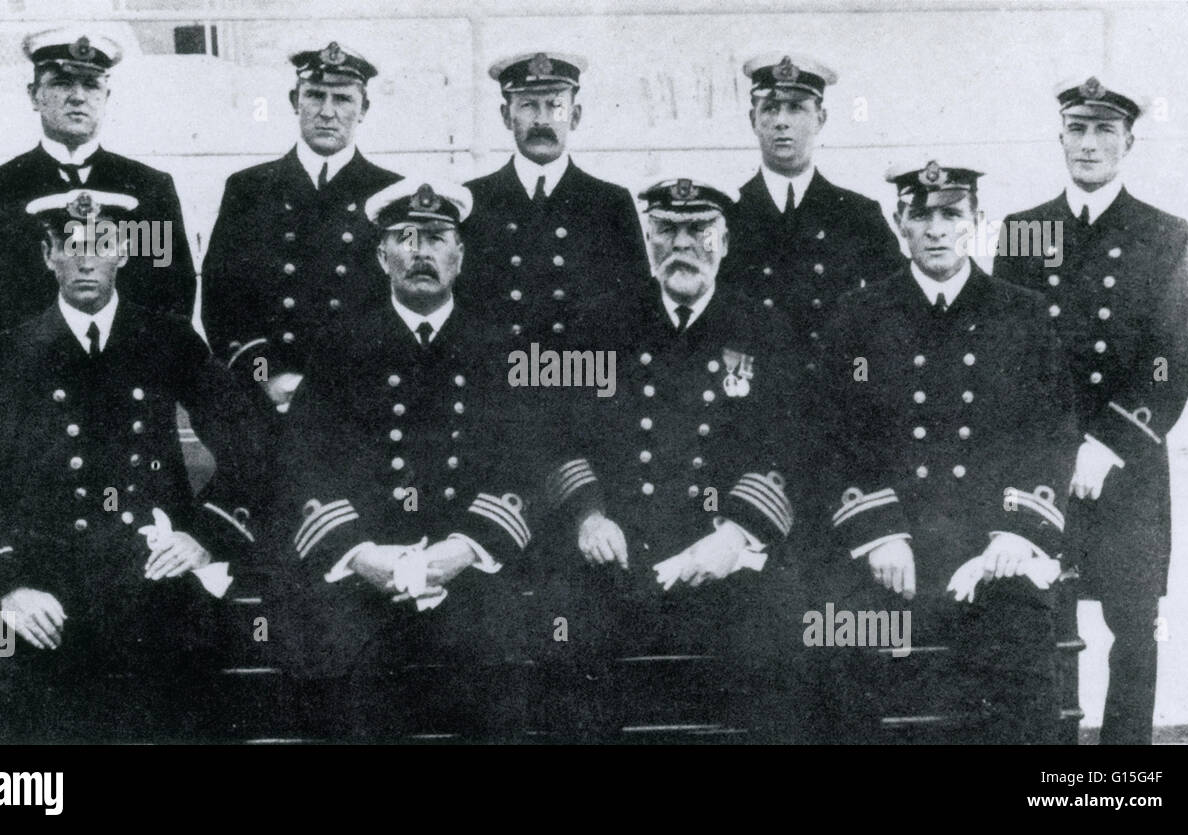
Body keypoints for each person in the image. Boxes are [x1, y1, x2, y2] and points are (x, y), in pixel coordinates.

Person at [0, 189, 265, 742]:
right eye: (70, 245)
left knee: (185, 694)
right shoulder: (14, 352)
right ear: (48, 255)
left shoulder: (166, 339)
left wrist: (204, 536)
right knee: (13, 702)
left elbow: (250, 440)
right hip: (48, 579)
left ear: (124, 252)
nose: (86, 258)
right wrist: (9, 587)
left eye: (102, 243)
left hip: (152, 572)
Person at [537, 177, 814, 741]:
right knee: (561, 641)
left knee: (783, 651)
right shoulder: (599, 327)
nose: (682, 244)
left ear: (725, 241)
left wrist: (736, 535)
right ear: (648, 238)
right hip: (617, 556)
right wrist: (589, 516)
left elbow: (792, 444)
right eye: (667, 230)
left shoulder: (765, 330)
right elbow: (555, 435)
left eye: (699, 230)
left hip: (724, 555)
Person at [819, 160, 1078, 743]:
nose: (936, 229)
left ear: (976, 222)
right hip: (888, 549)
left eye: (951, 215)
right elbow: (830, 437)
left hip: (990, 551)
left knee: (1022, 658)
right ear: (899, 224)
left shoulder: (1023, 315)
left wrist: (1014, 535)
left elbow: (1053, 433)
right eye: (921, 216)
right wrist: (880, 532)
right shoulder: (857, 317)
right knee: (831, 640)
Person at [274, 179, 539, 740]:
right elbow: (303, 462)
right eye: (405, 236)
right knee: (341, 671)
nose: (421, 250)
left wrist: (464, 548)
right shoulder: (341, 346)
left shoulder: (503, 348)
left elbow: (525, 459)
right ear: (381, 255)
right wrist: (361, 554)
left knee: (507, 670)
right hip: (366, 572)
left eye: (437, 236)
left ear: (460, 256)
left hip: (469, 568)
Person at [992, 77, 1188, 745]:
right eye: (1077, 129)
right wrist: (1055, 447)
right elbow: (1005, 353)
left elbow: (1172, 361)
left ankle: (1125, 767)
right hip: (1044, 466)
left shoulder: (1162, 235)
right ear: (1060, 139)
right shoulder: (1024, 232)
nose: (1089, 143)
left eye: (1104, 130)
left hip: (1127, 466)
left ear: (1128, 142)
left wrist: (1105, 445)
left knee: (1133, 628)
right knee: (1043, 619)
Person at [0, 28, 195, 353]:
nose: (78, 97)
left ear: (106, 97)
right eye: (62, 83)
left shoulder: (149, 188)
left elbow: (172, 294)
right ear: (33, 95)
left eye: (92, 84)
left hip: (131, 385)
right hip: (34, 384)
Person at [202, 41, 401, 421]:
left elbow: (402, 305)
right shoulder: (248, 189)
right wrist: (267, 377)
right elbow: (222, 302)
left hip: (360, 399)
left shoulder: (391, 195)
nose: (327, 112)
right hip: (266, 397)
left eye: (342, 99)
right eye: (315, 95)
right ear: (295, 100)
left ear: (364, 109)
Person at [723, 53, 903, 372]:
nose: (782, 121)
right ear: (753, 120)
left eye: (796, 107)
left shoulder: (858, 216)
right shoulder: (726, 214)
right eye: (770, 108)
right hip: (752, 400)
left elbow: (899, 303)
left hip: (835, 396)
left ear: (821, 118)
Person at [460, 51, 647, 343]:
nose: (541, 119)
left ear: (574, 117)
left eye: (555, 106)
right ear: (506, 117)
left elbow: (636, 311)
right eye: (528, 105)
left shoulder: (610, 204)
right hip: (499, 378)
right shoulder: (472, 200)